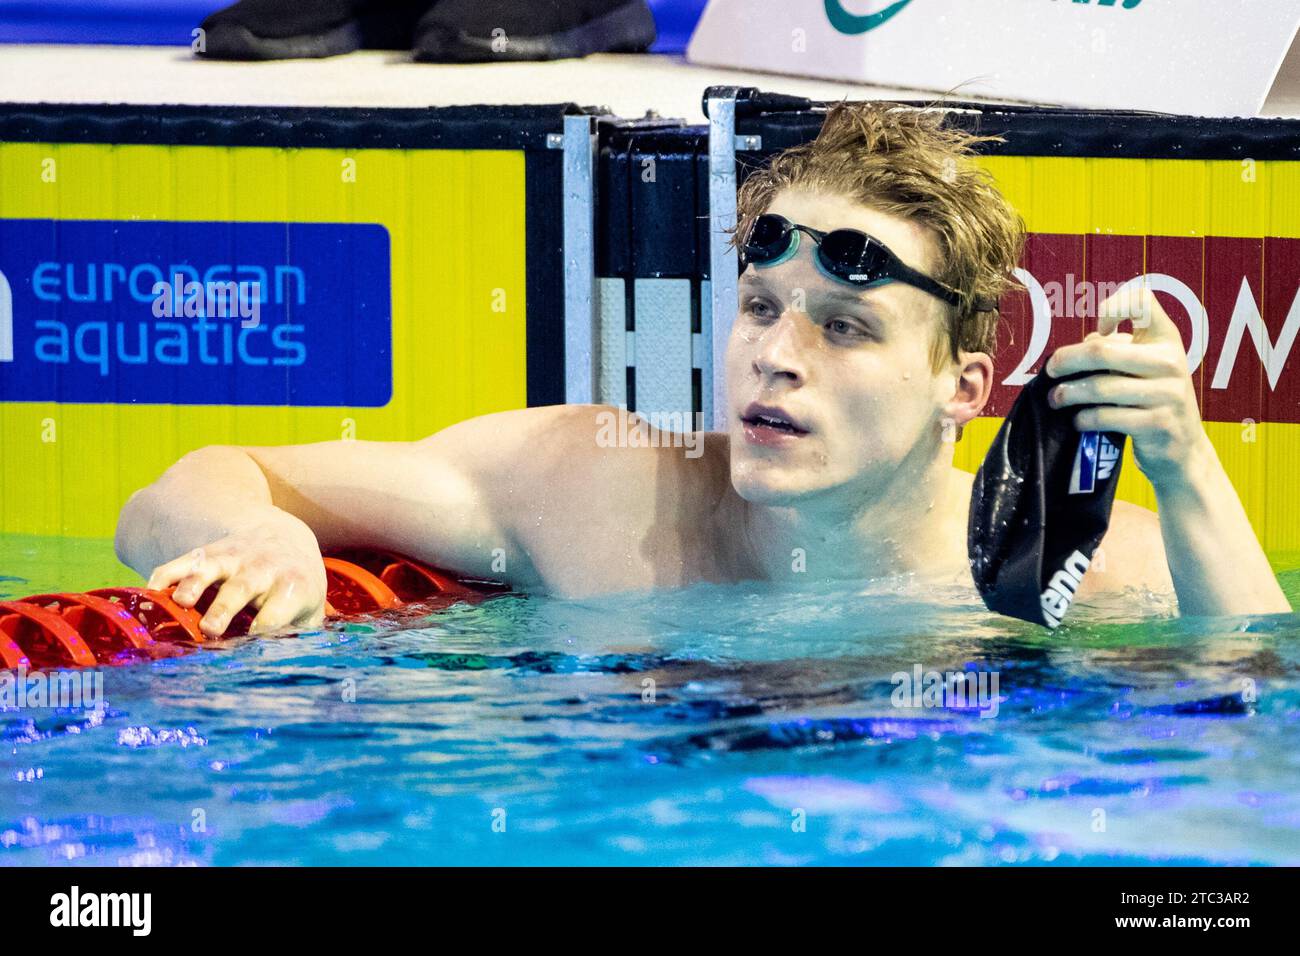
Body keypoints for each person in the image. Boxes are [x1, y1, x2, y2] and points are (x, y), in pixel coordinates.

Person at [114, 102, 1292, 638]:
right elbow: (173, 489)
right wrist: (261, 532)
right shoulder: (591, 487)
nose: (774, 356)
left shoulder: (1079, 574)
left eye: (843, 326)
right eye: (761, 307)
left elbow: (1248, 739)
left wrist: (1186, 469)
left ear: (961, 387)